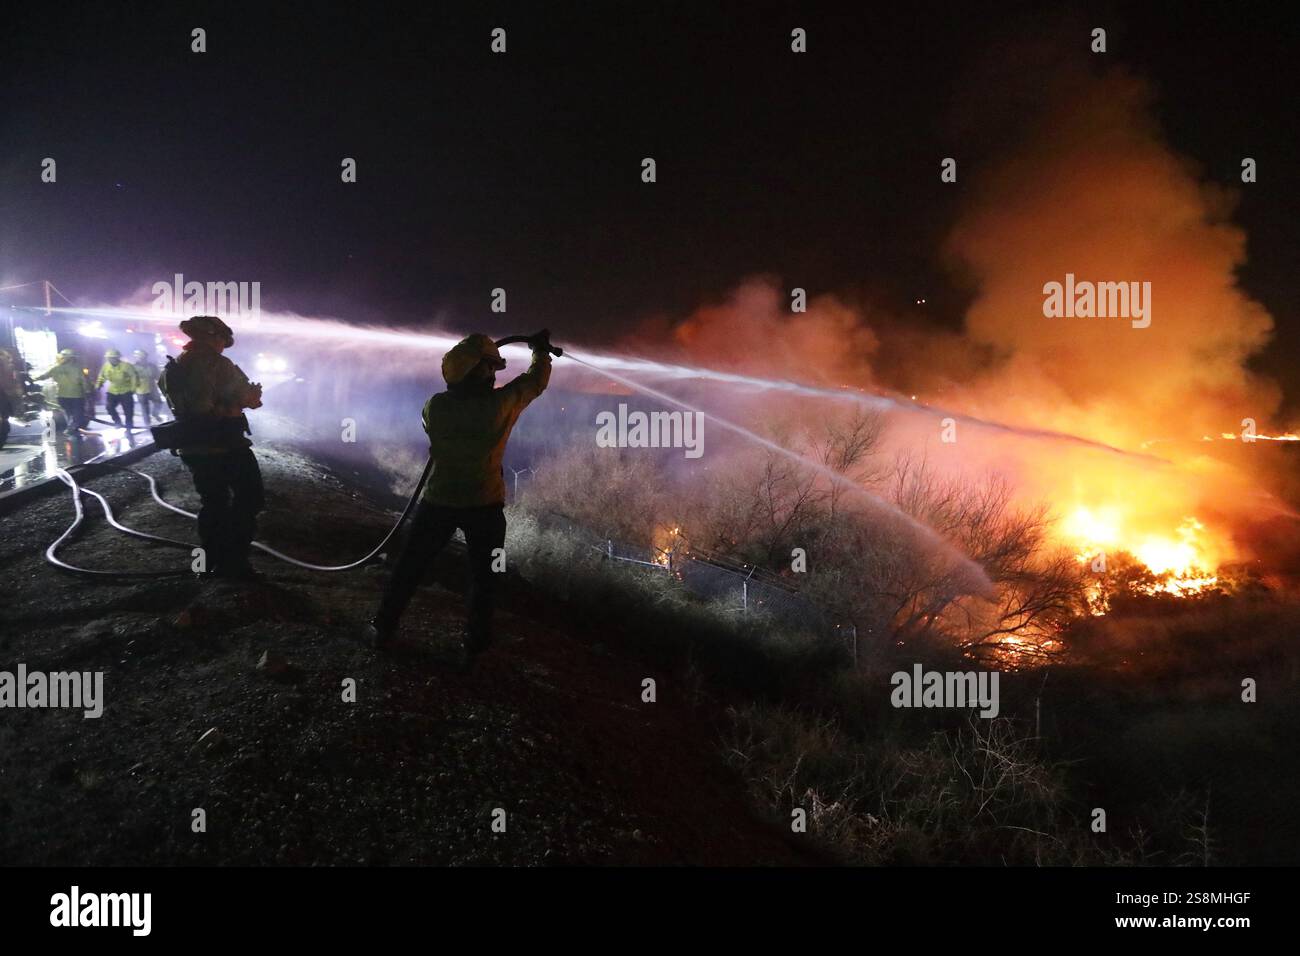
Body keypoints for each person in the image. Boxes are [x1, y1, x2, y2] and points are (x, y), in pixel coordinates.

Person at [369, 330, 553, 664]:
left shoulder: (434, 407)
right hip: (484, 506)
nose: (495, 374)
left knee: (410, 567)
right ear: (480, 371)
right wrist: (540, 352)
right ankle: (475, 647)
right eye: (491, 369)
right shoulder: (499, 406)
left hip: (438, 501)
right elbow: (534, 382)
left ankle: (383, 627)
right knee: (485, 578)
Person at [159, 316, 265, 580]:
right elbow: (242, 399)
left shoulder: (176, 365)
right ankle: (234, 565)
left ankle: (207, 564)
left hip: (194, 447)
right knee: (250, 498)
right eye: (221, 339)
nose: (223, 344)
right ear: (214, 337)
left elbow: (185, 404)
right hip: (225, 445)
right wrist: (251, 397)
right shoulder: (218, 364)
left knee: (213, 503)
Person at [34, 349, 92, 434]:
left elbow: (44, 376)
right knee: (77, 414)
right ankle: (72, 428)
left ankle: (71, 427)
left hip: (62, 396)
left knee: (68, 413)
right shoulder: (78, 368)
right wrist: (88, 391)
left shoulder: (56, 368)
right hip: (77, 396)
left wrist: (32, 379)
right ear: (71, 358)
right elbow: (85, 381)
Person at [95, 348, 140, 429]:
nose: (111, 359)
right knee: (109, 407)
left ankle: (129, 426)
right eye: (109, 358)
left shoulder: (126, 366)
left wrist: (133, 389)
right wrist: (98, 385)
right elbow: (102, 376)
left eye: (113, 357)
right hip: (113, 390)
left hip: (126, 391)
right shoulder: (106, 366)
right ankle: (117, 421)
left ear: (118, 358)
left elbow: (134, 377)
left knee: (128, 410)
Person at [0, 348, 26, 449]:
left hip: (4, 393)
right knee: (4, 421)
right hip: (5, 394)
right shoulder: (8, 364)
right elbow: (11, 380)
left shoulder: (6, 364)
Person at [131, 349, 163, 423]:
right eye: (140, 357)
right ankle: (147, 424)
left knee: (159, 403)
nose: (141, 359)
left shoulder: (152, 366)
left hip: (152, 389)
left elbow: (158, 376)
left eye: (143, 357)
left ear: (145, 357)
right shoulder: (133, 367)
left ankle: (155, 414)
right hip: (141, 391)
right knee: (145, 408)